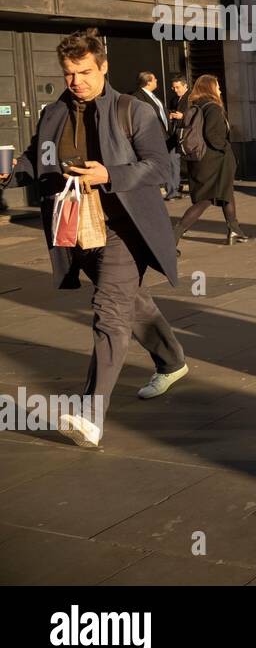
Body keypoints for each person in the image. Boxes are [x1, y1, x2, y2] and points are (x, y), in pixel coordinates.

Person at [0, 28, 188, 448]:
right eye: (69, 73)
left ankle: (90, 415)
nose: (77, 81)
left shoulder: (132, 111)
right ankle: (172, 361)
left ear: (103, 67)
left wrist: (111, 175)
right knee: (132, 302)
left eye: (85, 71)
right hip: (76, 228)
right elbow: (38, 157)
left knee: (109, 313)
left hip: (124, 229)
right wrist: (11, 170)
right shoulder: (53, 112)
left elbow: (160, 167)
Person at [174, 74, 249, 251]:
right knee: (205, 199)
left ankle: (234, 228)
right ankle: (173, 236)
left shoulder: (195, 105)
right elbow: (212, 135)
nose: (220, 89)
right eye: (217, 86)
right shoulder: (213, 107)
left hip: (200, 159)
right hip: (215, 160)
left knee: (226, 190)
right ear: (210, 88)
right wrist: (225, 148)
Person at [133, 71, 178, 200]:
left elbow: (160, 112)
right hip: (153, 136)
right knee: (157, 163)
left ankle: (171, 190)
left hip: (166, 135)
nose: (157, 81)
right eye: (155, 79)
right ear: (148, 82)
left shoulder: (153, 96)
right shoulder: (138, 97)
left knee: (169, 162)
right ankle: (157, 190)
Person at [166, 78, 190, 198]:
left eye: (178, 87)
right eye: (173, 88)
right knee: (172, 161)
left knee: (193, 163)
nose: (175, 90)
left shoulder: (192, 98)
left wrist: (184, 116)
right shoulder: (174, 99)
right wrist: (170, 116)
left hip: (188, 136)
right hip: (175, 136)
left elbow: (198, 116)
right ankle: (172, 191)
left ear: (185, 86)